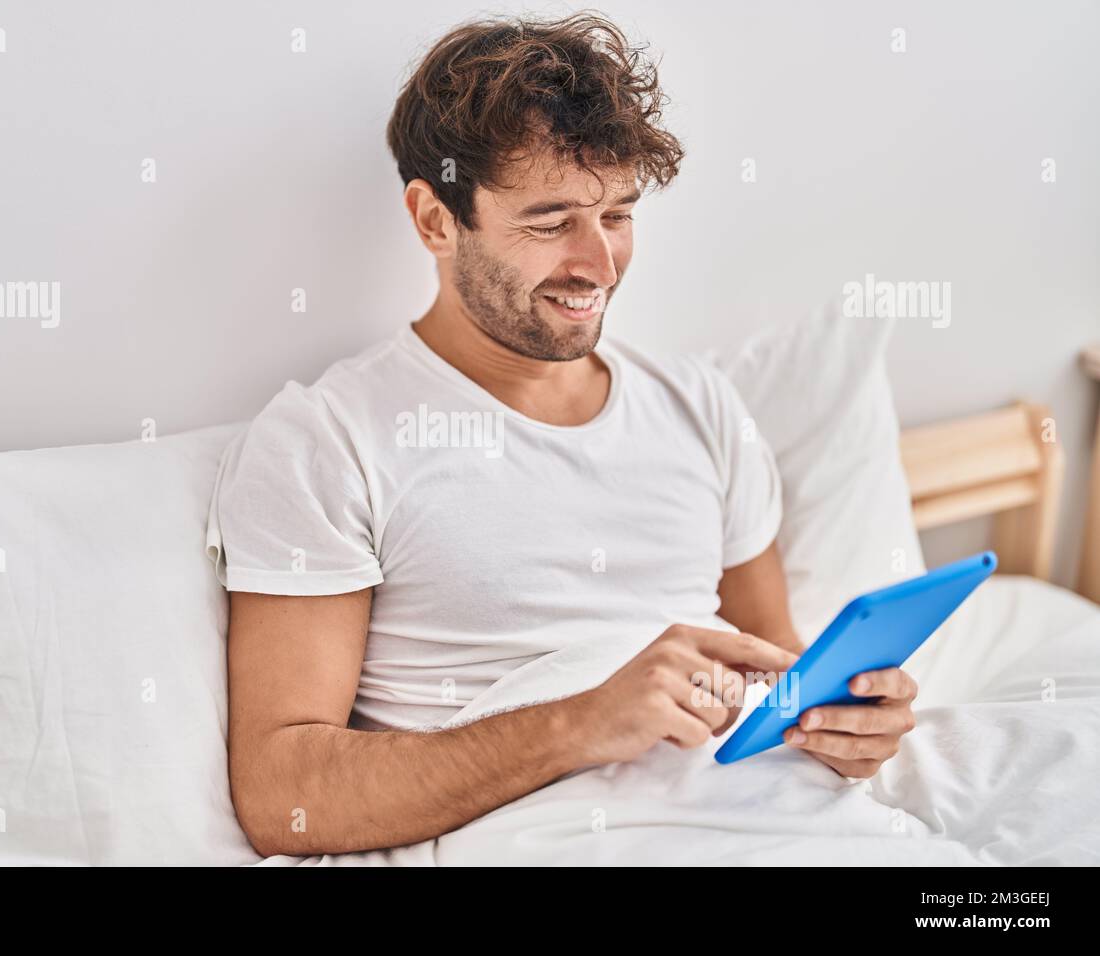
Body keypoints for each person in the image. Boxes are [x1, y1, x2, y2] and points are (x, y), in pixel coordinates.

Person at [214, 12, 918, 859]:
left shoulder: (701, 408)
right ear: (436, 219)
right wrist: (581, 724)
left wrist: (843, 725)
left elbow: (779, 664)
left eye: (617, 214)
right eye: (550, 223)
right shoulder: (328, 440)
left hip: (795, 832)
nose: (600, 263)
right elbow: (282, 795)